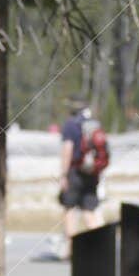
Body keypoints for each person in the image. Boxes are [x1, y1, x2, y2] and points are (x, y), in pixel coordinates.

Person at [59, 98, 110, 239]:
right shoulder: (94, 124)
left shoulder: (70, 125)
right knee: (89, 211)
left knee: (70, 210)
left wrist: (64, 175)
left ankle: (72, 246)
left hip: (75, 172)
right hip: (92, 173)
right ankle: (100, 244)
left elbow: (67, 149)